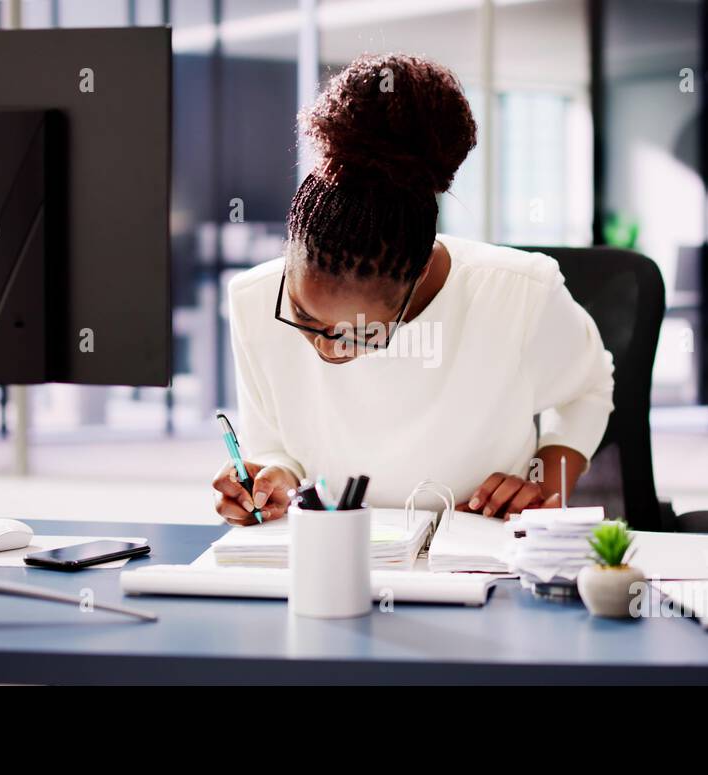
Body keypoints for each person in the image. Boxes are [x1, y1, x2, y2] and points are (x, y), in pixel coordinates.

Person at [213, 53, 613, 526]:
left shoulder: (519, 294)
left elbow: (588, 386)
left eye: (357, 333)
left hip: (479, 550)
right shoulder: (254, 300)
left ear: (420, 272)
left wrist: (544, 482)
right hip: (333, 552)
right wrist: (272, 477)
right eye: (302, 316)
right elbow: (277, 447)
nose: (325, 348)